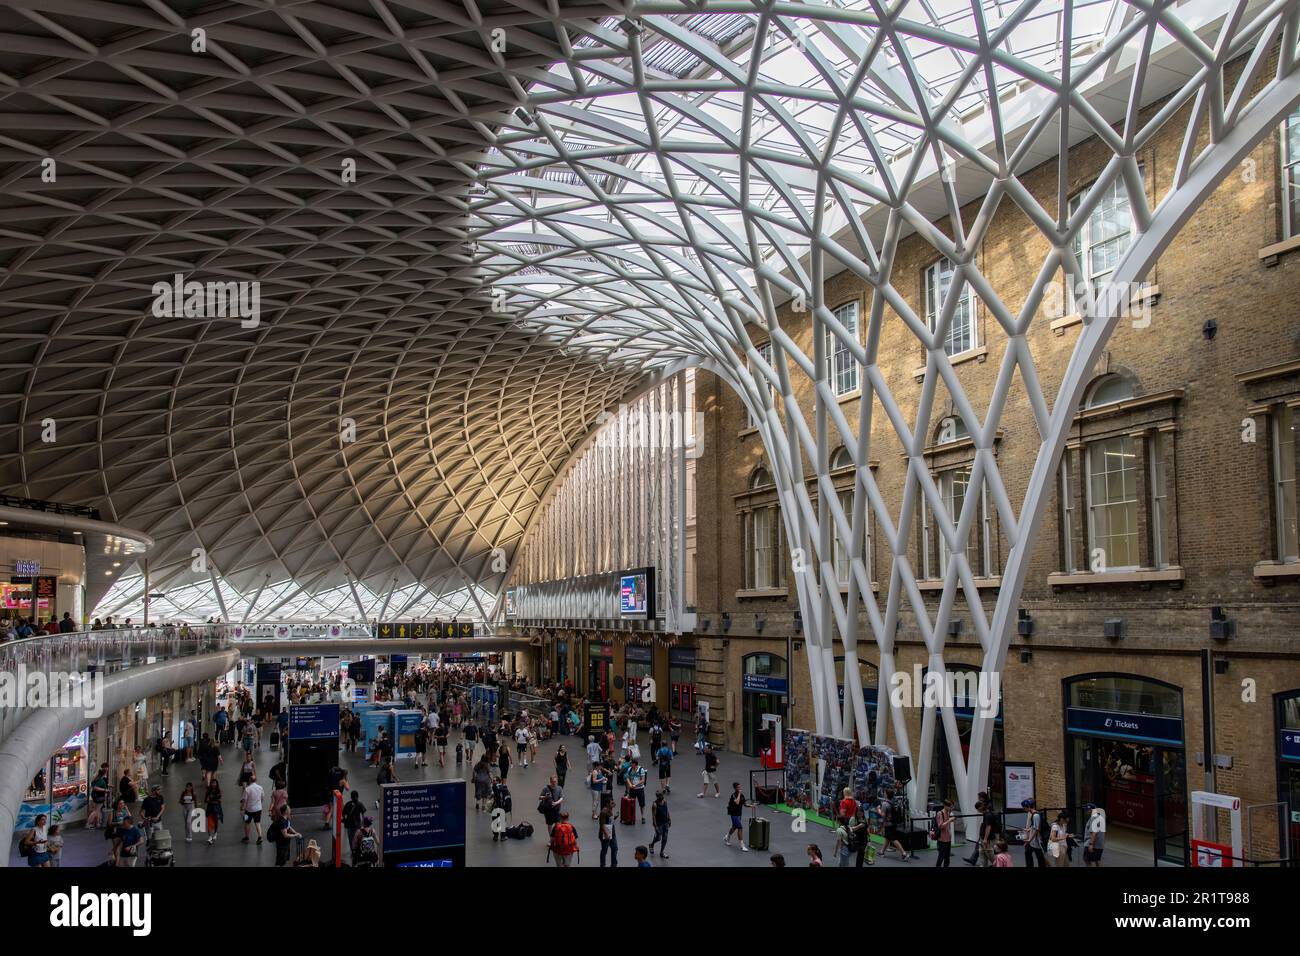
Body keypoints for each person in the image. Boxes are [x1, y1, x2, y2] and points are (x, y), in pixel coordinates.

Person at [1021, 798, 1046, 867]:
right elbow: (1034, 826)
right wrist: (1028, 829)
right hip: (1033, 840)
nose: (1024, 809)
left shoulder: (1035, 815)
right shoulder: (1033, 814)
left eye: (1024, 808)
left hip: (1036, 840)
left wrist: (1030, 839)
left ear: (1028, 807)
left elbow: (1037, 829)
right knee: (1028, 853)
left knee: (1039, 857)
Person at [241, 773, 265, 845]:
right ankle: (260, 836)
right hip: (258, 809)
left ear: (249, 780)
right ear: (256, 780)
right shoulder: (260, 787)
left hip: (249, 810)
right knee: (257, 823)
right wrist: (260, 804)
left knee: (247, 823)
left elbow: (244, 800)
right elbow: (262, 797)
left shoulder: (247, 789)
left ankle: (247, 837)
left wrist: (242, 808)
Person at [724, 781, 748, 851]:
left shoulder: (742, 795)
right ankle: (742, 846)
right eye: (738, 787)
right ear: (735, 788)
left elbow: (744, 803)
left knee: (734, 827)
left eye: (740, 787)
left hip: (739, 813)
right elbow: (737, 802)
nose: (740, 788)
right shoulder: (733, 795)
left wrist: (751, 806)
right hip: (733, 813)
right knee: (740, 827)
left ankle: (727, 837)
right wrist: (739, 793)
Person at [648, 789, 671, 858]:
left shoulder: (665, 801)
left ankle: (662, 852)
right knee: (658, 838)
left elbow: (667, 810)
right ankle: (651, 844)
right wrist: (655, 826)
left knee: (665, 838)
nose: (660, 796)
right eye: (658, 795)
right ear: (657, 796)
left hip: (665, 822)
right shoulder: (655, 804)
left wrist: (669, 819)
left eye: (661, 795)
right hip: (659, 824)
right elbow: (653, 816)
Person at [625, 758, 648, 824]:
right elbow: (627, 777)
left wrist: (635, 785)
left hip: (639, 789)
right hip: (632, 789)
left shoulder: (641, 769)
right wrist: (629, 784)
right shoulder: (630, 769)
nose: (630, 765)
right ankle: (631, 817)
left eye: (631, 764)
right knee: (631, 803)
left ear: (634, 764)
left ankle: (643, 817)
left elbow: (643, 780)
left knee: (642, 804)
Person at [933, 799, 954, 867]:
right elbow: (941, 826)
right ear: (945, 806)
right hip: (942, 839)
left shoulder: (948, 812)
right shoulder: (940, 813)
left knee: (947, 858)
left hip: (948, 838)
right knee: (941, 857)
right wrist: (949, 820)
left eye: (952, 807)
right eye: (950, 807)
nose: (951, 808)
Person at [598, 802, 618, 867]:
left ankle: (614, 864)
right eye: (611, 803)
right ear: (607, 804)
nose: (614, 804)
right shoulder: (603, 812)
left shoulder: (610, 810)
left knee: (615, 848)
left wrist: (615, 817)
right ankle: (602, 864)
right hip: (605, 833)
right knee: (604, 850)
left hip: (612, 832)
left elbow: (610, 820)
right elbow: (602, 824)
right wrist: (606, 834)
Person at [205, 779, 224, 845]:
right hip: (210, 808)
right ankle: (210, 837)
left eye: (214, 783)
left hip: (217, 808)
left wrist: (211, 801)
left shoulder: (219, 791)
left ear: (217, 784)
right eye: (212, 783)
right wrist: (213, 801)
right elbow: (206, 800)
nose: (213, 784)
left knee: (216, 821)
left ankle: (215, 833)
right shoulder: (208, 791)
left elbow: (220, 800)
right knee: (209, 823)